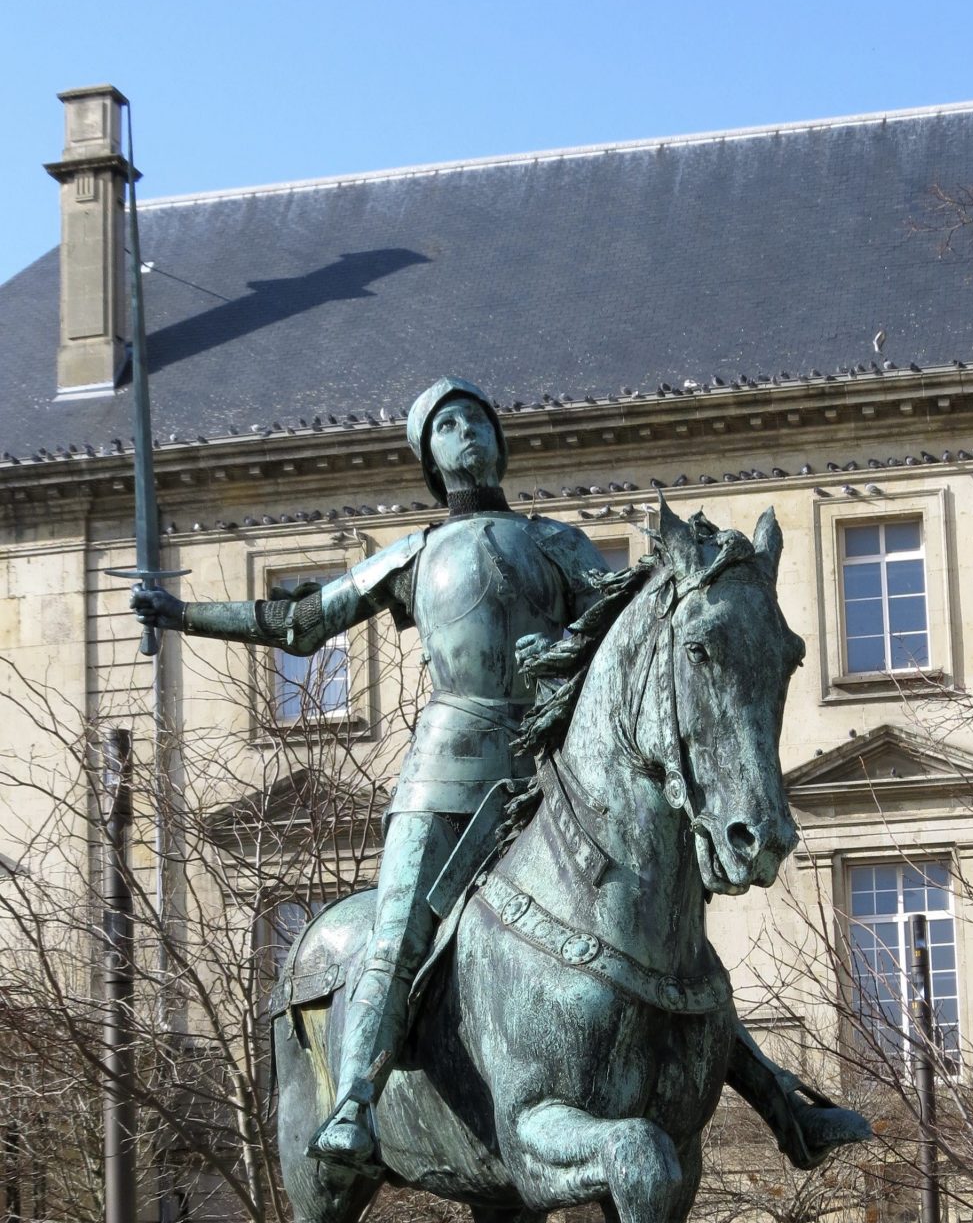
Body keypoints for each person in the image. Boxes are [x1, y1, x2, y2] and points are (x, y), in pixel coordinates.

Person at [135, 377, 866, 1174]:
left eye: (475, 420)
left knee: (666, 935)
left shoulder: (555, 542)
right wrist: (181, 614)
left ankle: (783, 1104)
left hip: (548, 776)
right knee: (399, 930)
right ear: (429, 457)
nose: (465, 434)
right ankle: (355, 1099)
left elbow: (634, 625)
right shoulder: (413, 555)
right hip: (444, 776)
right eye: (445, 427)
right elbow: (300, 622)